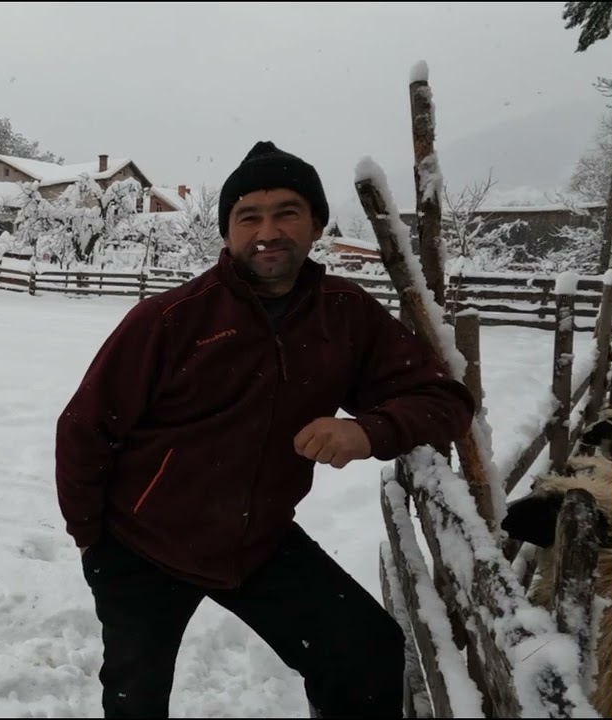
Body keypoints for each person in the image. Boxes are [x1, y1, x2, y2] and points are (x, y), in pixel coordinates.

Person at [55, 141, 476, 718]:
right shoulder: (173, 318)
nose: (267, 231)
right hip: (144, 543)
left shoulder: (344, 315)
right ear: (226, 231)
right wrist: (93, 541)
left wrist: (369, 432)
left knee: (364, 652)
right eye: (247, 216)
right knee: (136, 699)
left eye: (286, 212)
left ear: (317, 224)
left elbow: (444, 399)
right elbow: (84, 428)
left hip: (257, 541)